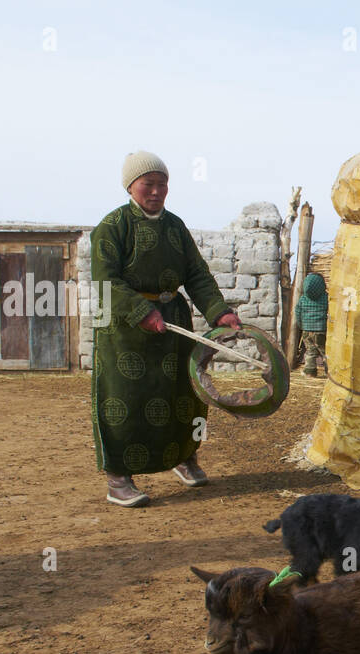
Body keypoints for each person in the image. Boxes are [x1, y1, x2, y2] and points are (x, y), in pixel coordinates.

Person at [91, 151, 242, 507]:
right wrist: (142, 311)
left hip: (173, 321)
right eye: (149, 184)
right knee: (125, 401)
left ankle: (184, 457)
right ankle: (118, 477)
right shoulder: (112, 228)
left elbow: (197, 275)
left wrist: (219, 312)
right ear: (131, 186)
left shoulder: (175, 227)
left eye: (163, 184)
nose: (156, 191)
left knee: (183, 395)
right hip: (125, 332)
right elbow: (105, 281)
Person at [295, 272, 329, 377]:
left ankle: (310, 372)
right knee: (325, 352)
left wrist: (301, 326)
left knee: (310, 351)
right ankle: (331, 373)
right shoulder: (326, 298)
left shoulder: (303, 299)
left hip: (306, 330)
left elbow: (298, 313)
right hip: (321, 330)